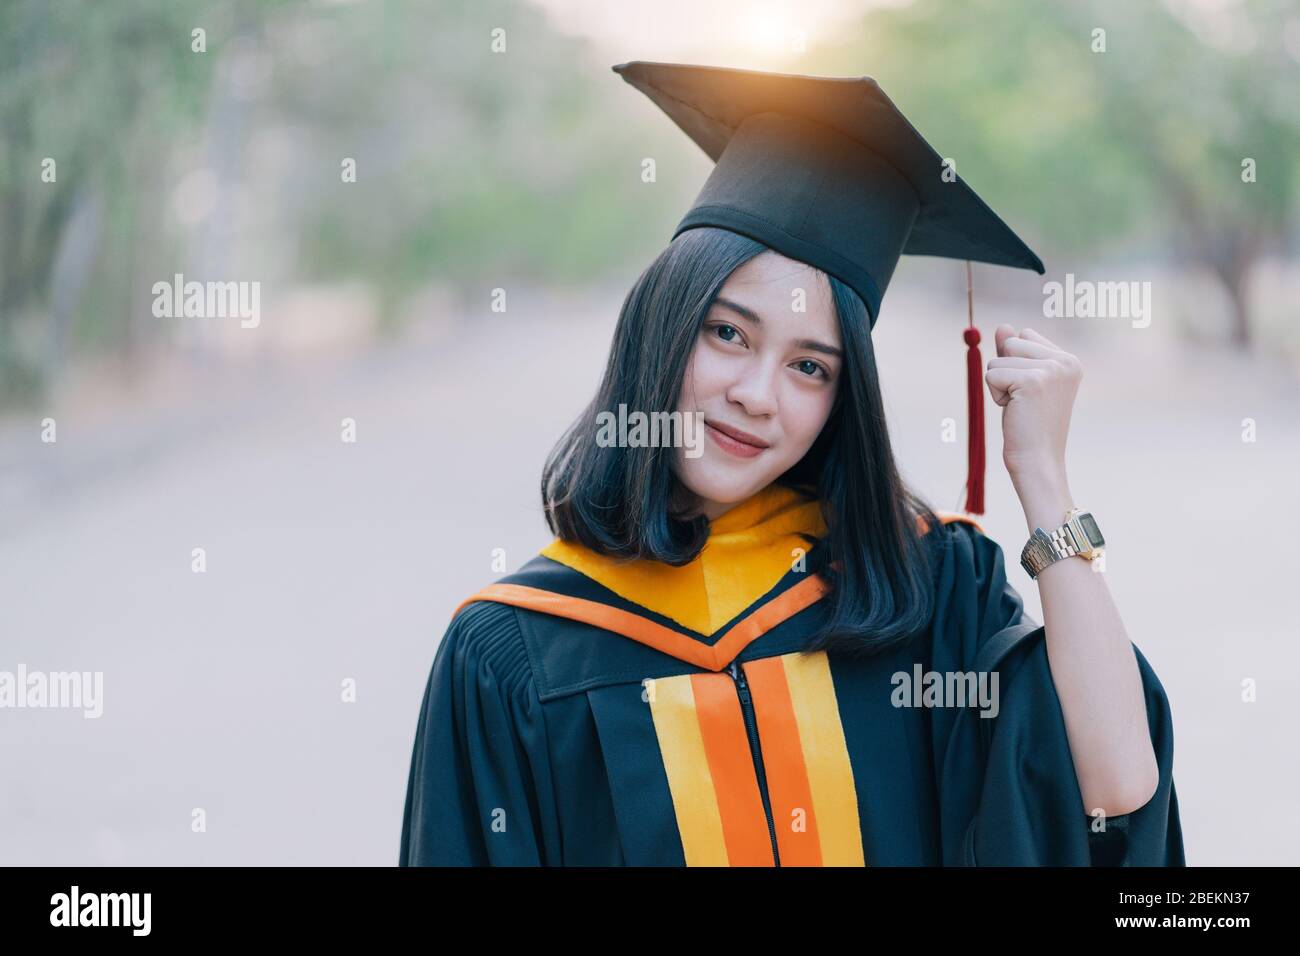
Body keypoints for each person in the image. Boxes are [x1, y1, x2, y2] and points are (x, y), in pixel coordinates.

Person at [399, 61, 1185, 866]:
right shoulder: (510, 651)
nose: (757, 396)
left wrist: (1044, 483)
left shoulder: (925, 588)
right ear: (659, 325)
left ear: (844, 400)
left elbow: (1116, 786)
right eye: (727, 333)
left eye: (811, 366)